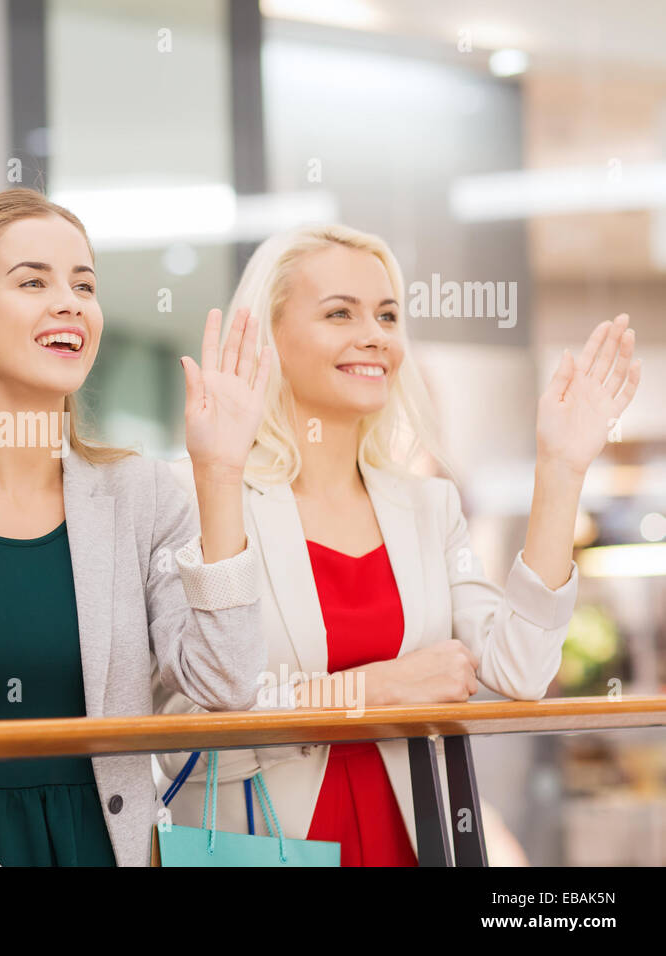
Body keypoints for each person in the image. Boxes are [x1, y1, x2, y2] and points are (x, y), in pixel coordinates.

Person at [156, 223, 640, 865]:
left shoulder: (426, 507)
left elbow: (521, 669)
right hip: (265, 846)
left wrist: (560, 468)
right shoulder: (201, 497)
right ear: (267, 338)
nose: (376, 336)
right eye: (340, 313)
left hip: (409, 843)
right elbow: (184, 731)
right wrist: (373, 690)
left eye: (387, 315)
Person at [0, 188, 269, 866]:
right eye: (32, 281)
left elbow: (228, 684)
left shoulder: (143, 496)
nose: (70, 300)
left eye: (84, 283)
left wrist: (219, 472)